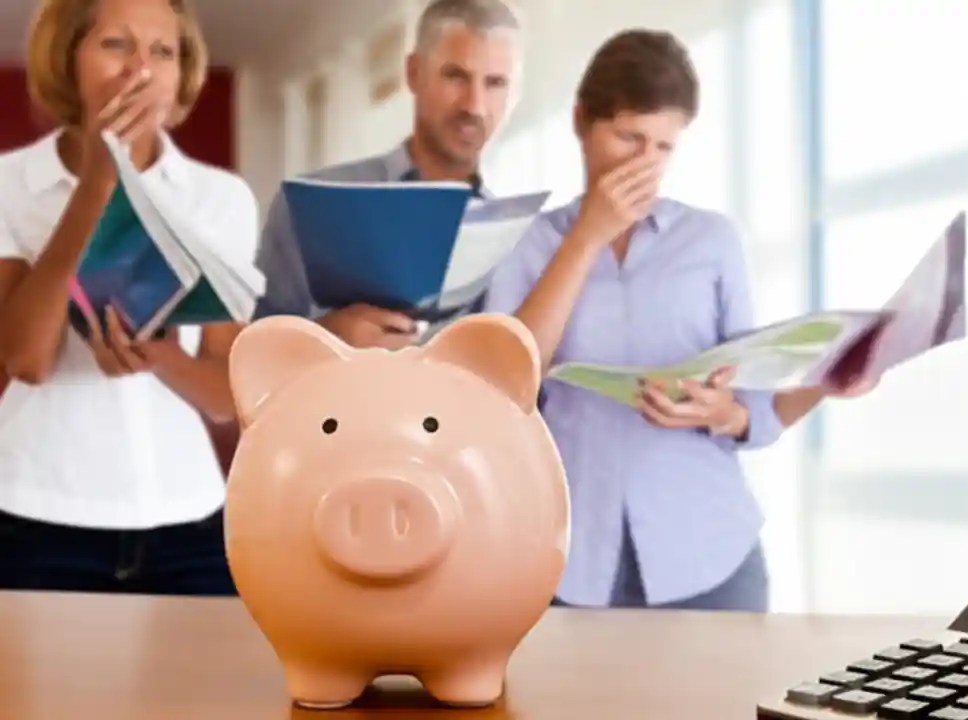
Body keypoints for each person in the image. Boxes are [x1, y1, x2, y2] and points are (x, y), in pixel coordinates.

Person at [484, 29, 878, 612]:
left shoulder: (712, 241)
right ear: (580, 121)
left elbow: (756, 399)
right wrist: (589, 234)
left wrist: (755, 404)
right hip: (565, 564)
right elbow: (506, 381)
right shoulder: (525, 244)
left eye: (664, 147)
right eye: (628, 137)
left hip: (710, 558)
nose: (646, 163)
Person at [0, 0, 259, 594]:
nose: (140, 68)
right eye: (116, 44)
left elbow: (227, 395)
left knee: (194, 689)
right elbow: (26, 359)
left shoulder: (220, 198)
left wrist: (160, 358)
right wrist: (98, 183)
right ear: (68, 61)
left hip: (189, 519)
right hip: (34, 519)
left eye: (162, 51)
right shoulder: (9, 184)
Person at [253, 0, 521, 348]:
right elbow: (252, 358)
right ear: (413, 73)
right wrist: (328, 337)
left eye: (495, 82)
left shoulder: (518, 238)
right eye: (456, 76)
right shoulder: (308, 205)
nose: (475, 105)